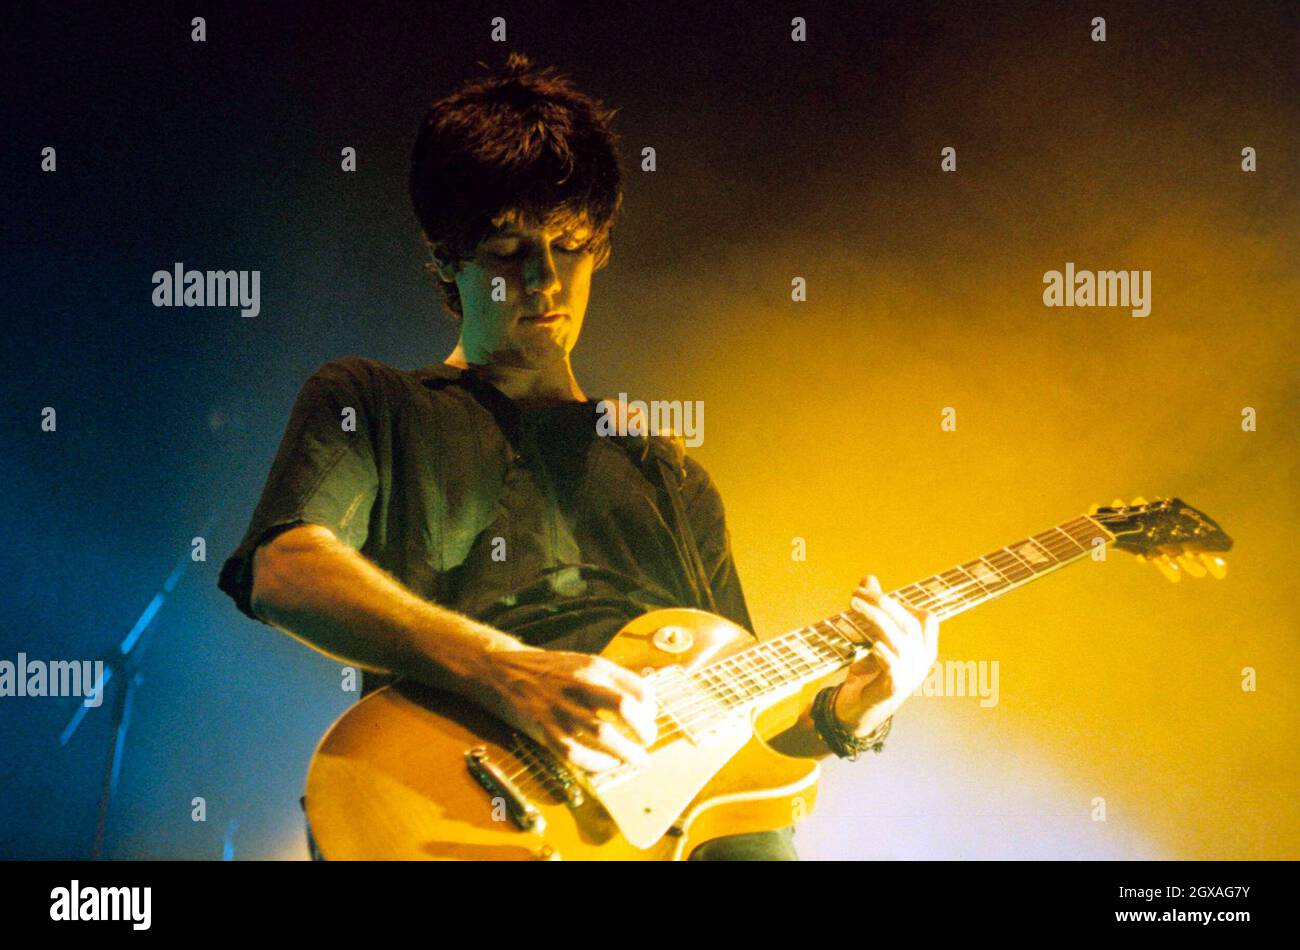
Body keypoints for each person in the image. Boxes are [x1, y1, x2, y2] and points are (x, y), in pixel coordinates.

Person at [217, 53, 939, 861]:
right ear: (448, 257)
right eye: (505, 249)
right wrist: (507, 670)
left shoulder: (667, 474)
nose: (543, 279)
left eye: (569, 244)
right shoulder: (374, 400)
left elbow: (740, 747)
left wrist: (851, 714)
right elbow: (285, 567)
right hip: (468, 817)